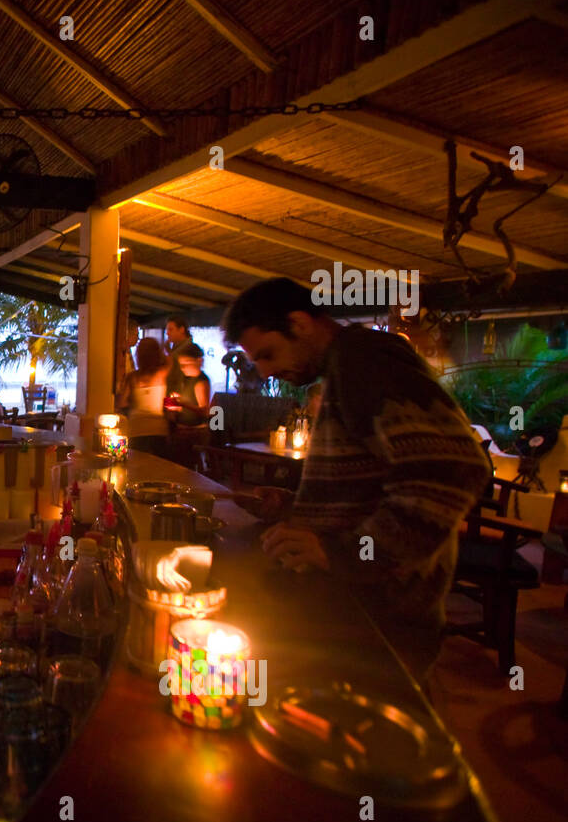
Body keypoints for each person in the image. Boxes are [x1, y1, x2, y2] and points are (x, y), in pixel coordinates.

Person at [221, 277, 490, 680]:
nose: (269, 370)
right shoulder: (349, 363)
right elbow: (379, 479)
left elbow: (452, 468)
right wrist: (296, 506)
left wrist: (346, 554)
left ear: (299, 323)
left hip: (380, 614)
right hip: (363, 604)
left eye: (268, 354)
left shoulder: (365, 360)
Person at [115, 336, 170, 458]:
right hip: (158, 429)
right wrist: (165, 349)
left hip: (136, 429)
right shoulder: (162, 374)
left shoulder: (132, 377)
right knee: (159, 469)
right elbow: (170, 361)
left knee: (137, 469)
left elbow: (121, 404)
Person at [164, 343, 211, 466]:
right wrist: (175, 407)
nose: (183, 368)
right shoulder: (186, 379)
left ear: (198, 361)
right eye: (181, 365)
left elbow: (205, 410)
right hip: (181, 430)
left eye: (186, 364)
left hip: (194, 433)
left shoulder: (201, 382)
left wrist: (183, 404)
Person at [164, 313, 197, 399]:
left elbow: (178, 379)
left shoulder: (186, 350)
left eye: (171, 330)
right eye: (167, 330)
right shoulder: (176, 349)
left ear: (182, 330)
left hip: (178, 398)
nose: (167, 333)